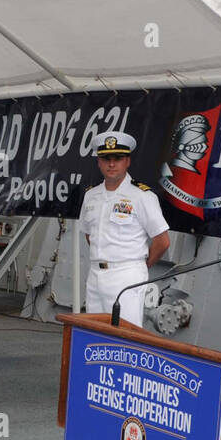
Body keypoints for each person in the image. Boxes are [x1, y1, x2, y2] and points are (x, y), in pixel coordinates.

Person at [79, 131, 170, 325]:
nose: (112, 164)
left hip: (126, 275)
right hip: (95, 274)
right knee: (95, 331)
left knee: (124, 336)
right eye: (106, 158)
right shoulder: (91, 196)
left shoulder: (142, 196)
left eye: (118, 158)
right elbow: (90, 235)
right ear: (99, 162)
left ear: (127, 161)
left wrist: (139, 267)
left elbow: (162, 241)